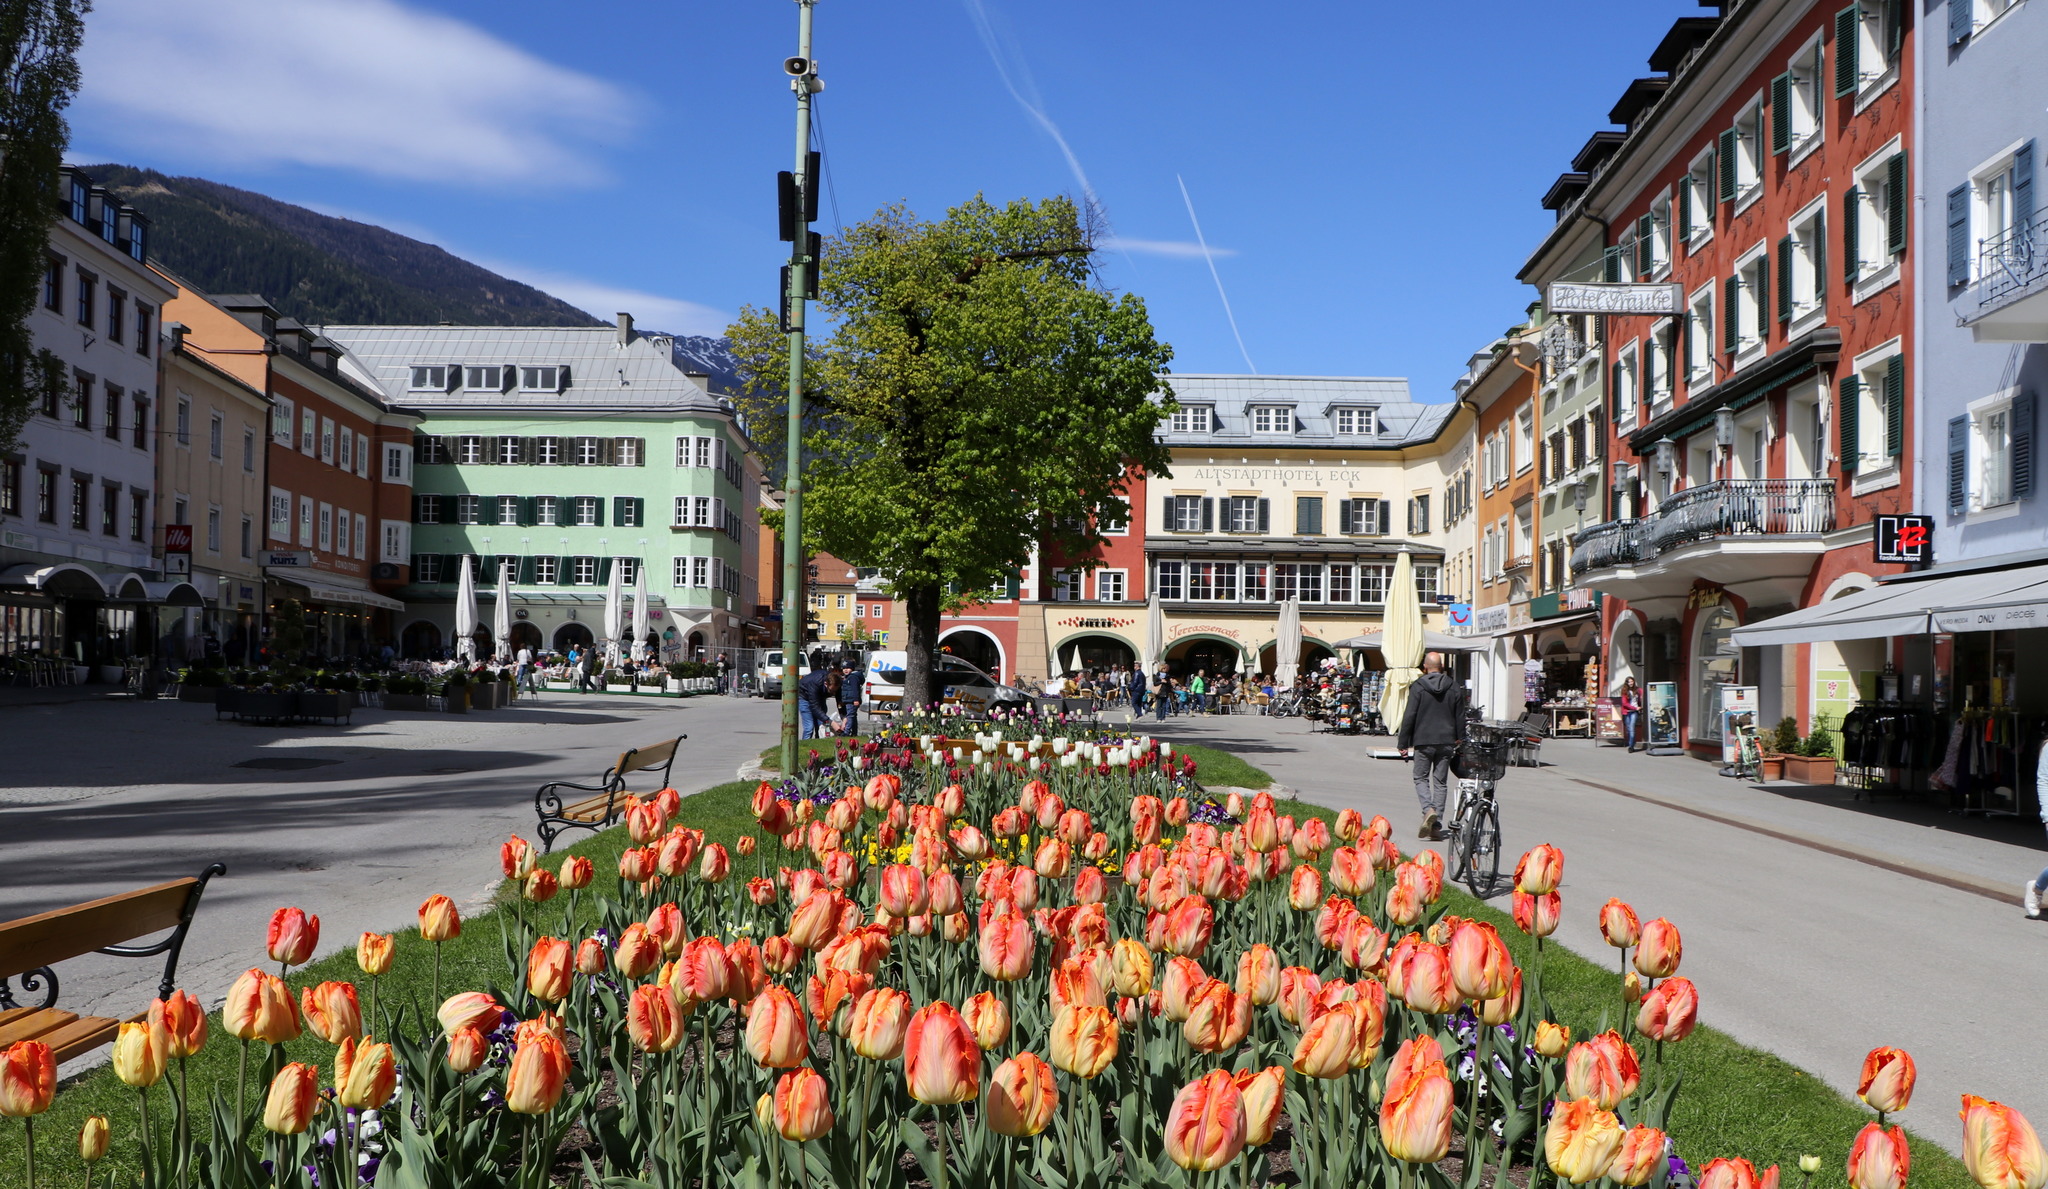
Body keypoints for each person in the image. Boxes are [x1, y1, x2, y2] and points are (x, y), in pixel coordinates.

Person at [1397, 651, 1467, 841]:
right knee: (1441, 782)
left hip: (1423, 740)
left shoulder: (1418, 686)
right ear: (1442, 667)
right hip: (1447, 741)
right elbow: (1460, 715)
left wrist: (1403, 742)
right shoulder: (1453, 686)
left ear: (1425, 667)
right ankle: (1436, 826)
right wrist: (1461, 738)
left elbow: (1409, 715)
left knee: (1420, 777)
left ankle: (1428, 809)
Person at [797, 656, 837, 739]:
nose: (833, 693)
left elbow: (841, 701)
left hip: (819, 696)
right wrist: (830, 722)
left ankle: (818, 742)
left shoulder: (836, 683)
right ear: (826, 684)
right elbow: (814, 706)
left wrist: (843, 718)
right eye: (831, 691)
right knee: (809, 727)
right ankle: (805, 745)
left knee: (820, 725)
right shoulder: (815, 683)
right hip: (804, 697)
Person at [838, 655, 864, 737]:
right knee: (853, 716)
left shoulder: (853, 678)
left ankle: (846, 731)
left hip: (852, 700)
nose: (845, 670)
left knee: (850, 716)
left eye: (848, 668)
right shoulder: (846, 677)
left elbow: (855, 689)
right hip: (848, 700)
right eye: (844, 668)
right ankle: (854, 732)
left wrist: (856, 699)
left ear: (852, 668)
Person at [1618, 676, 1642, 752]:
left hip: (1634, 712)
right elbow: (1624, 703)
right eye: (1629, 682)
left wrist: (1639, 707)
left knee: (1632, 728)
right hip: (1627, 712)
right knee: (1628, 729)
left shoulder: (1638, 690)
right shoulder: (1624, 691)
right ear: (1627, 683)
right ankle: (1632, 741)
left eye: (1632, 681)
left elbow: (1644, 694)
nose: (1631, 683)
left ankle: (1631, 746)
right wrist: (1635, 708)